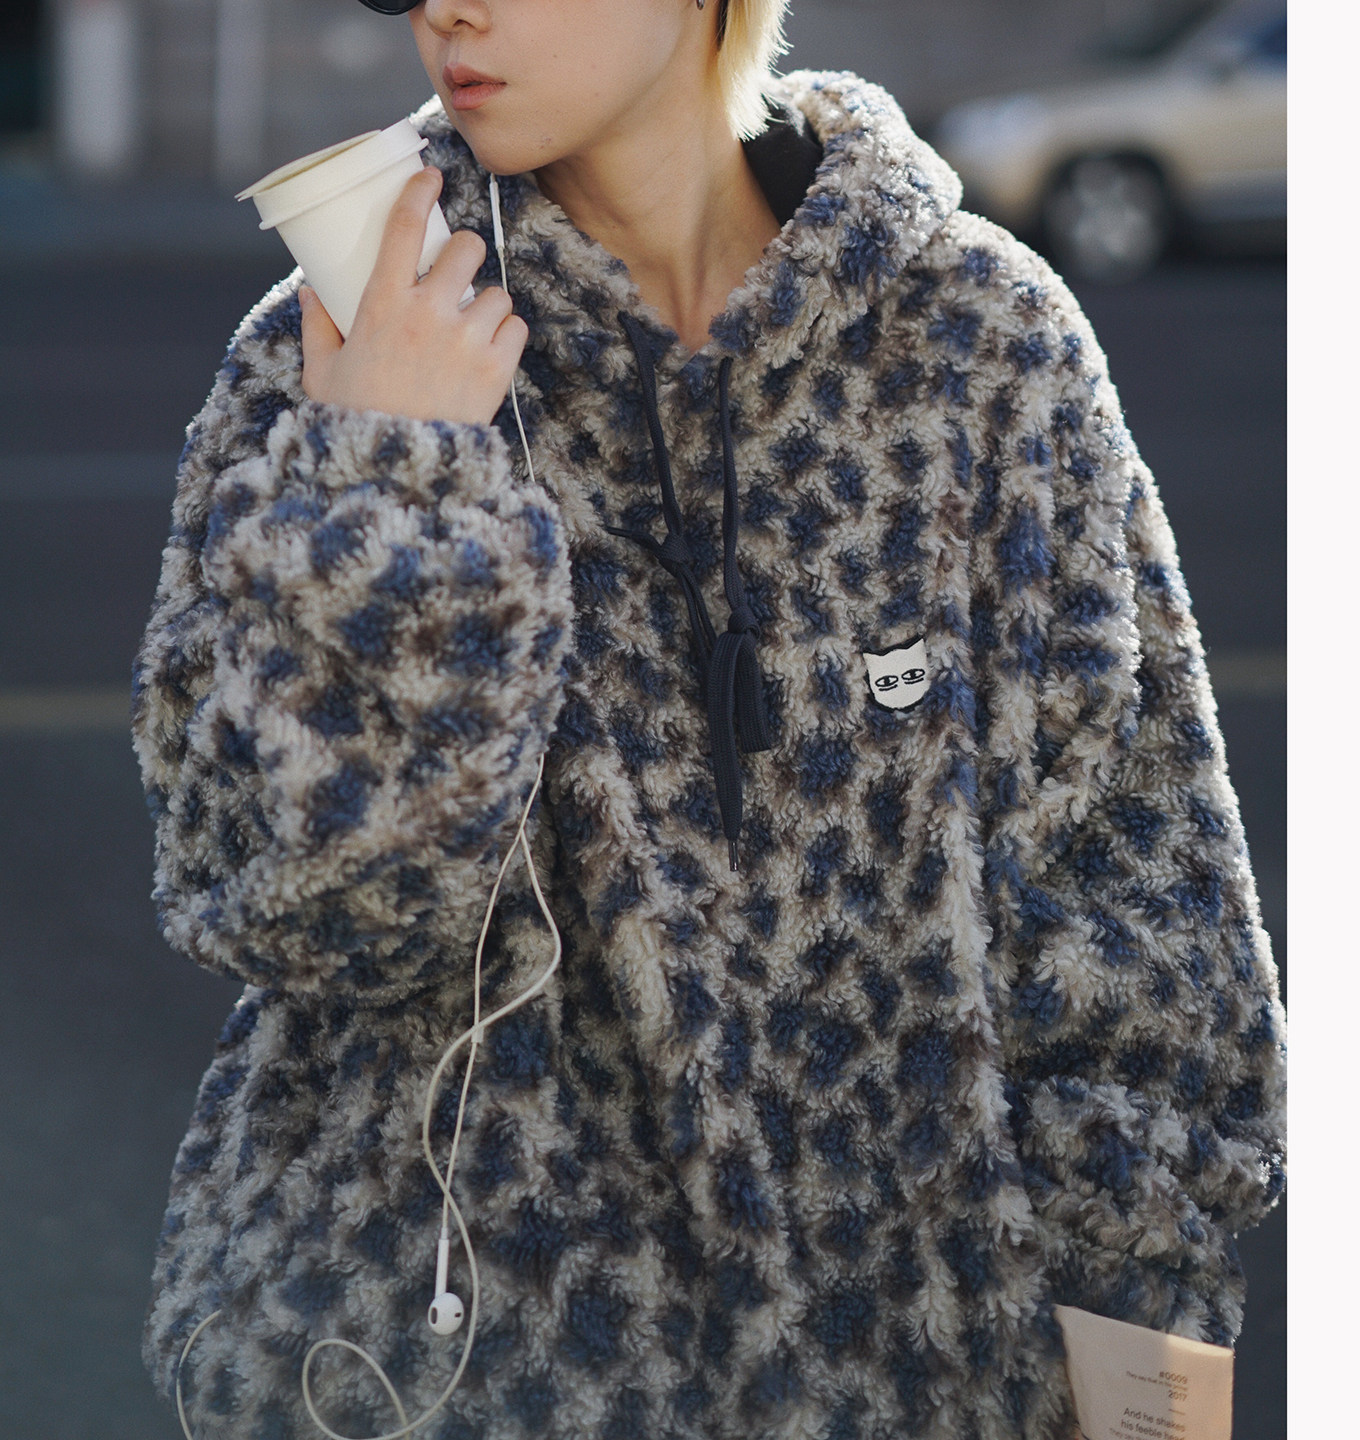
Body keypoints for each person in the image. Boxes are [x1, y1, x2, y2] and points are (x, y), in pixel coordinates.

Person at [129, 1, 1287, 1437]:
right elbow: (301, 914)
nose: (443, 10)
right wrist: (391, 484)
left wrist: (1148, 1390)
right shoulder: (343, 343)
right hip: (464, 1386)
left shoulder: (985, 343)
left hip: (929, 1386)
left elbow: (1149, 947)